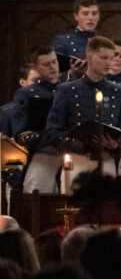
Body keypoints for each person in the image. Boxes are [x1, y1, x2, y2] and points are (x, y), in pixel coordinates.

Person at [43, 35, 121, 181]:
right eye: (103, 58)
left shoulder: (119, 93)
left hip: (107, 162)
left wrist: (116, 145)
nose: (108, 63)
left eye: (111, 58)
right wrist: (79, 145)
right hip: (77, 162)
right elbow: (52, 131)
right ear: (89, 57)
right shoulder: (67, 90)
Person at [10, 48, 63, 191]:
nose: (52, 67)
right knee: (39, 201)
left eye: (54, 62)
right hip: (43, 155)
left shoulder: (68, 90)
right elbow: (21, 134)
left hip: (71, 155)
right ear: (37, 68)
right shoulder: (26, 94)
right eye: (46, 64)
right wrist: (51, 137)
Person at [51, 0, 100, 67]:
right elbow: (54, 71)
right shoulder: (63, 42)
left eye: (94, 13)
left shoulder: (106, 43)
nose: (90, 18)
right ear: (76, 16)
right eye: (85, 14)